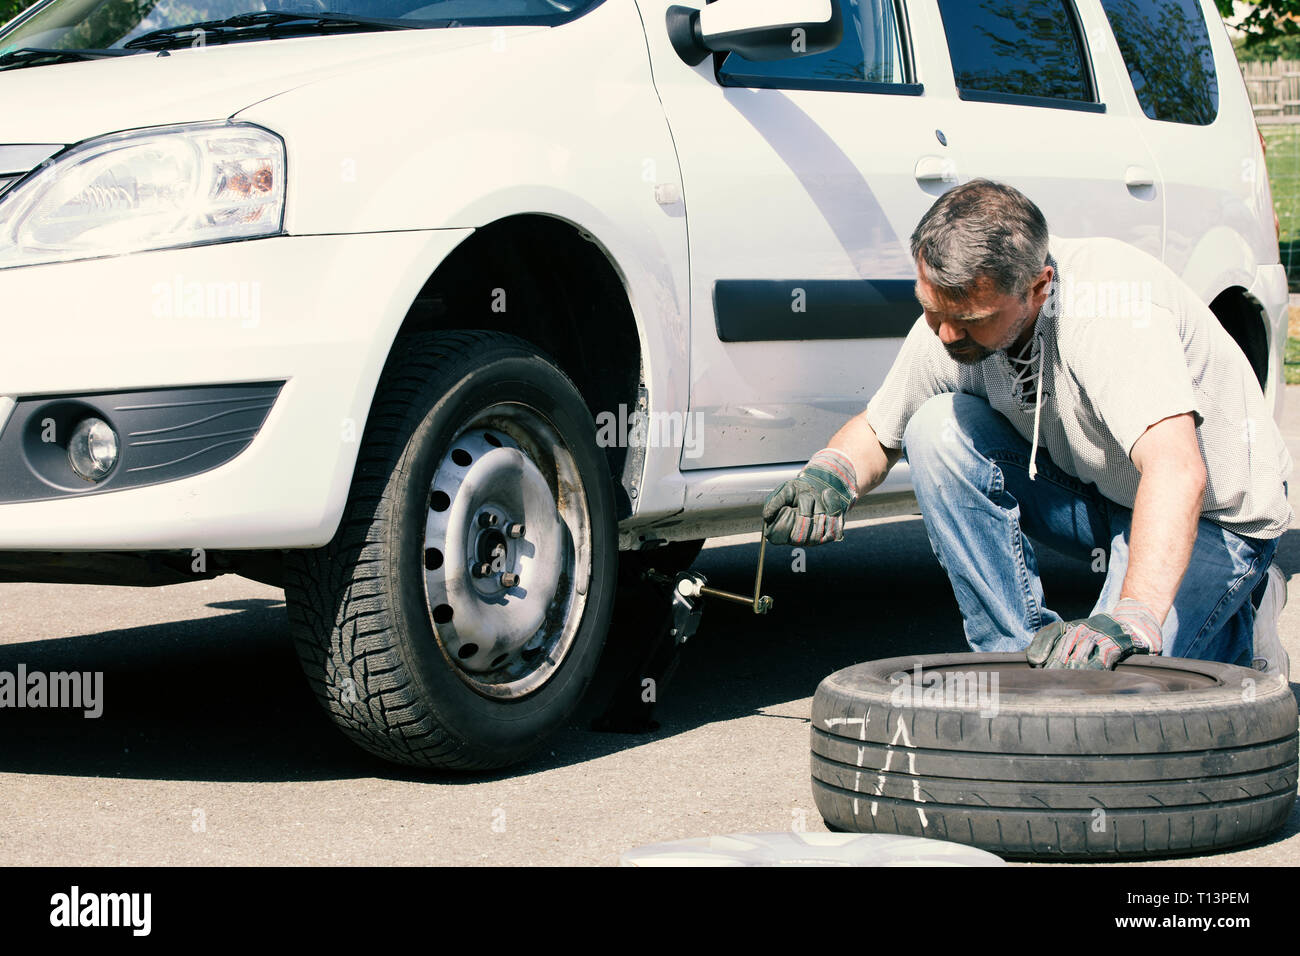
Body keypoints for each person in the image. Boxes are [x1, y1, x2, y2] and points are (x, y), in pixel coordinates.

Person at [761, 179, 1293, 675]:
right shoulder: (953, 317)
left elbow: (1177, 471)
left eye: (970, 319)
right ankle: (1013, 660)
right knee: (935, 429)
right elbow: (880, 431)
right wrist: (829, 476)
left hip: (1211, 517)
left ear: (1039, 288)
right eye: (931, 309)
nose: (946, 334)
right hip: (1101, 491)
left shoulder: (1111, 312)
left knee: (1119, 683)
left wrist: (1132, 615)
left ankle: (1241, 607)